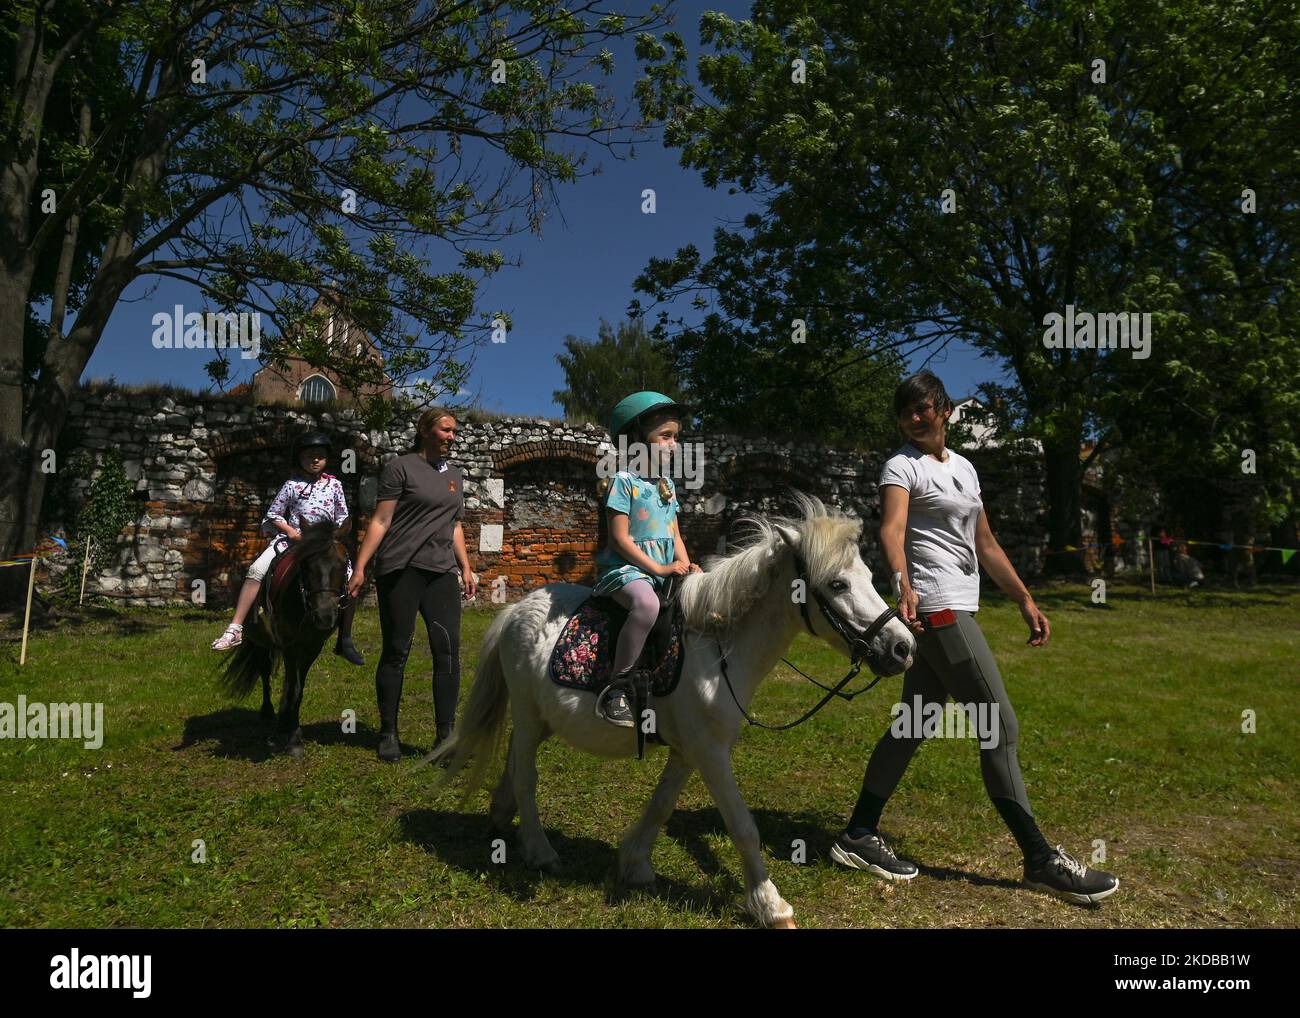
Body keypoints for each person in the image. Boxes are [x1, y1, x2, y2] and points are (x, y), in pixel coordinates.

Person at [832, 371, 1120, 906]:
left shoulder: (963, 467)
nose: (915, 419)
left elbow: (984, 542)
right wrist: (902, 584)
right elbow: (890, 531)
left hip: (958, 604)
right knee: (999, 726)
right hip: (934, 608)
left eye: (924, 408)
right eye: (906, 412)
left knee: (912, 726)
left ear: (944, 409)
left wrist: (1024, 598)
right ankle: (1040, 860)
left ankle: (858, 835)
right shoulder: (902, 466)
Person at [348, 408, 475, 762]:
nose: (452, 437)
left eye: (454, 431)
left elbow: (454, 526)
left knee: (447, 652)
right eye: (446, 430)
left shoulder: (455, 475)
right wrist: (360, 566)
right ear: (425, 430)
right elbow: (381, 519)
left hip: (441, 572)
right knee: (396, 651)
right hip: (401, 569)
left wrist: (465, 568)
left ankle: (445, 736)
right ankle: (388, 733)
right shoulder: (399, 468)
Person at [592, 391, 701, 726]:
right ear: (637, 440)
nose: (673, 445)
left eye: (676, 438)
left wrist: (687, 563)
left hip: (662, 570)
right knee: (648, 606)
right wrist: (658, 568)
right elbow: (619, 539)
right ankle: (617, 688)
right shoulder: (623, 482)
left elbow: (674, 534)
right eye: (664, 436)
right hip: (626, 570)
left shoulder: (667, 485)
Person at [212, 431, 362, 663]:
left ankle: (345, 638)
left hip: (324, 543)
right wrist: (292, 532)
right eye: (309, 455)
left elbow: (342, 515)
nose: (315, 460)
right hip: (293, 541)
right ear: (299, 458)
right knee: (256, 570)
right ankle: (236, 628)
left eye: (320, 456)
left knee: (350, 580)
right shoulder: (292, 485)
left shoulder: (335, 485)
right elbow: (273, 514)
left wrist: (335, 534)